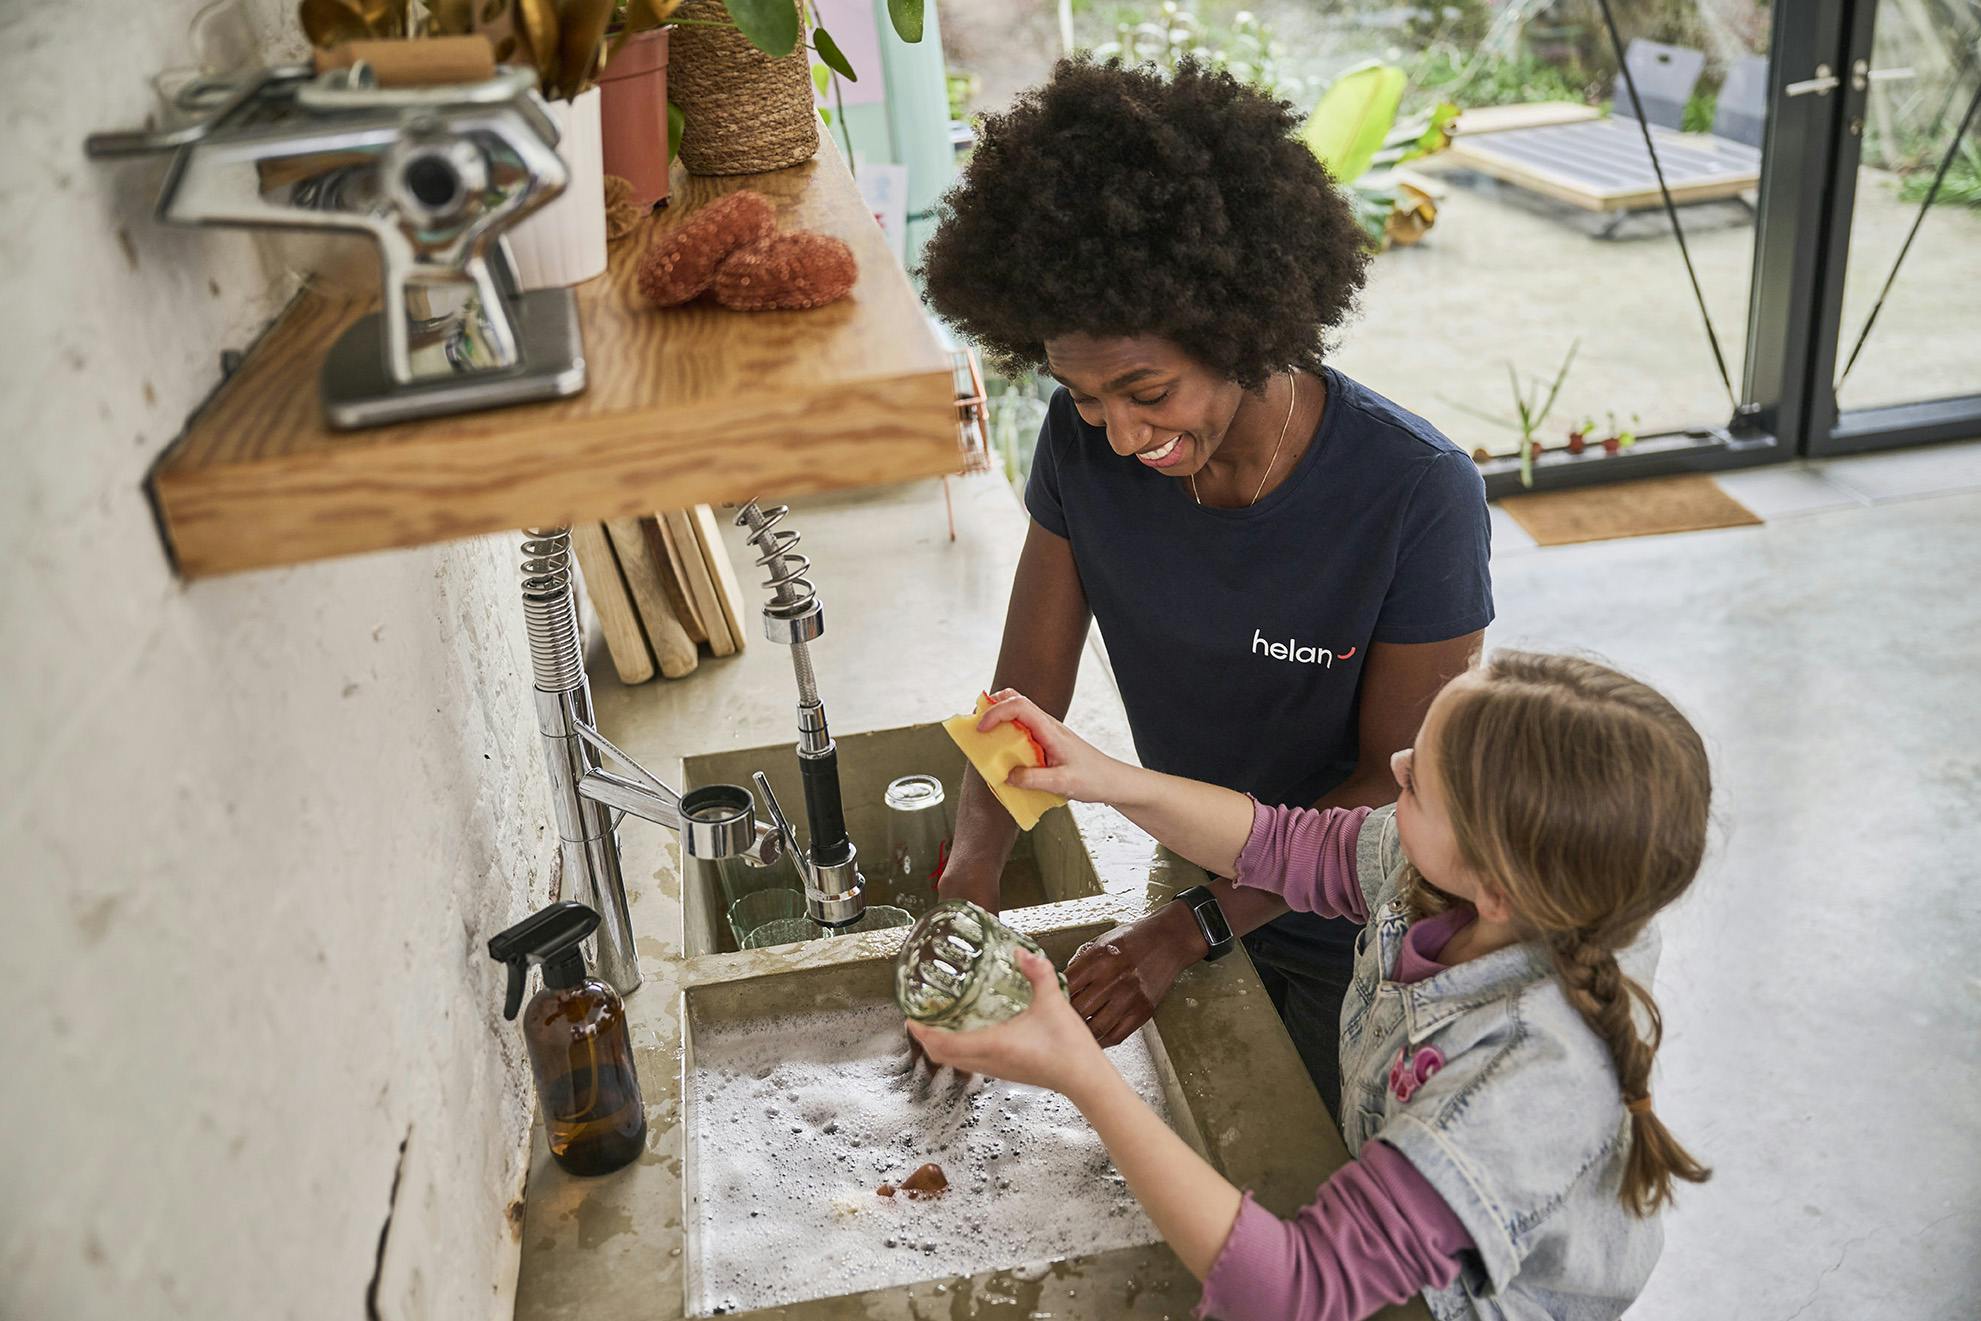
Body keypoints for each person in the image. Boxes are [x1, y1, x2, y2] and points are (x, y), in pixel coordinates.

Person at [919, 56, 1493, 1104]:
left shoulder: (1416, 493)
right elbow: (1025, 700)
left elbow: (1393, 789)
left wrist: (1189, 929)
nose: (1120, 433)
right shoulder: (1083, 446)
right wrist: (968, 878)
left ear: (1240, 327)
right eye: (1084, 397)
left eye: (1148, 390)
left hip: (1363, 933)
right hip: (1193, 878)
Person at [908, 654, 1713, 1320]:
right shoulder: (1484, 887)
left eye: (1416, 784)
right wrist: (1108, 778)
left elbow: (1293, 1291)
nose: (1394, 765)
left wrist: (1078, 1071)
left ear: (1496, 887)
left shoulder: (1523, 1080)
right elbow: (1292, 846)